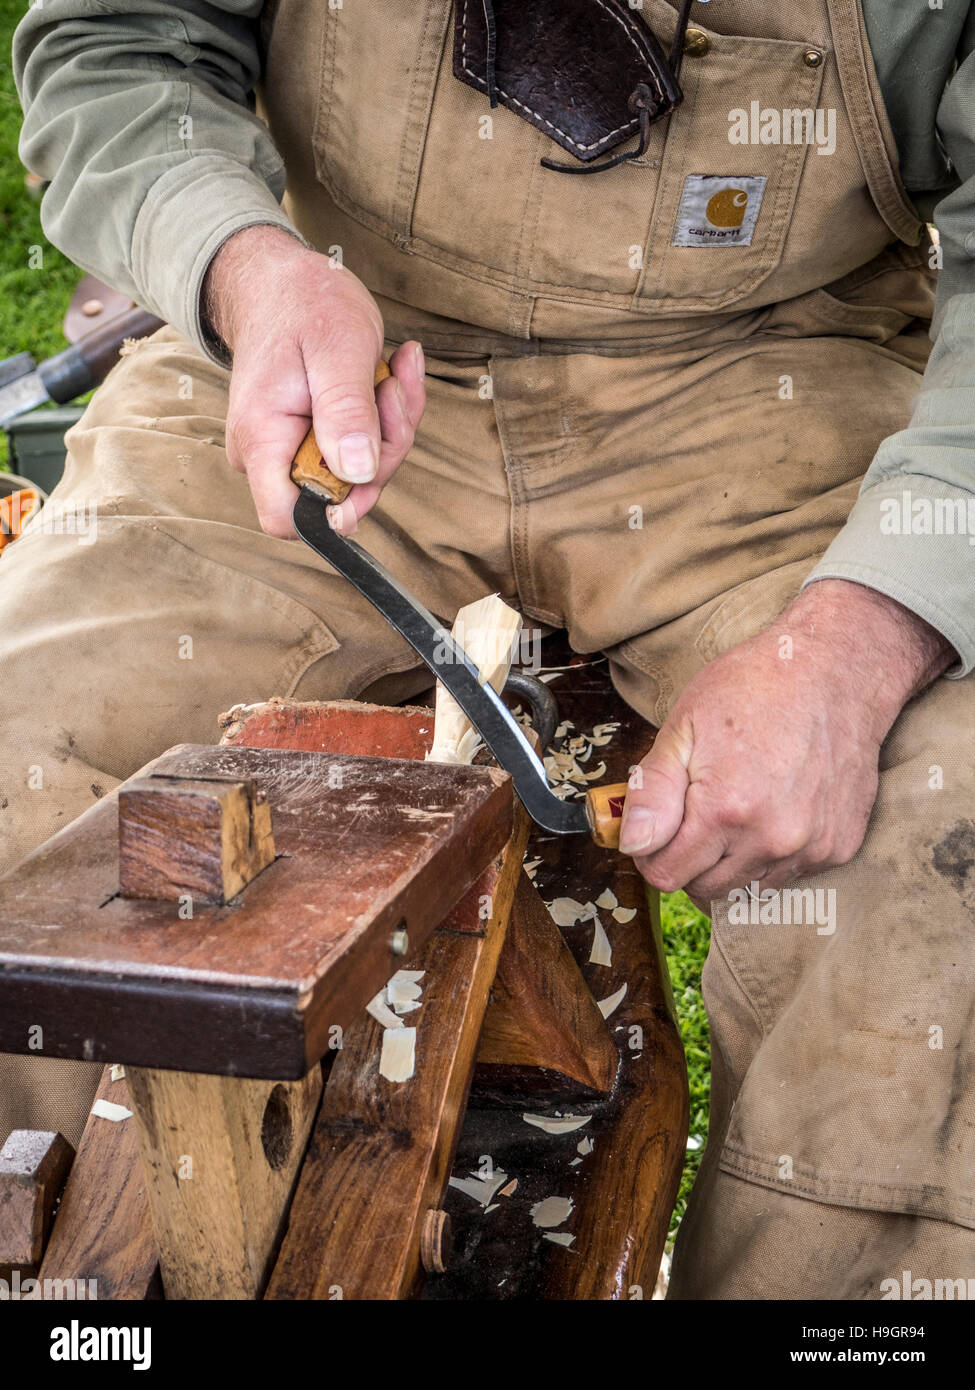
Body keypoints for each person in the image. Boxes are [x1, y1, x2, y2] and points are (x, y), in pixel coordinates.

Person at [3, 0, 973, 1298]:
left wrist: (866, 634)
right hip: (333, 351)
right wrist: (242, 263)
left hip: (774, 372)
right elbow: (116, 45)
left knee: (935, 847)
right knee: (28, 749)